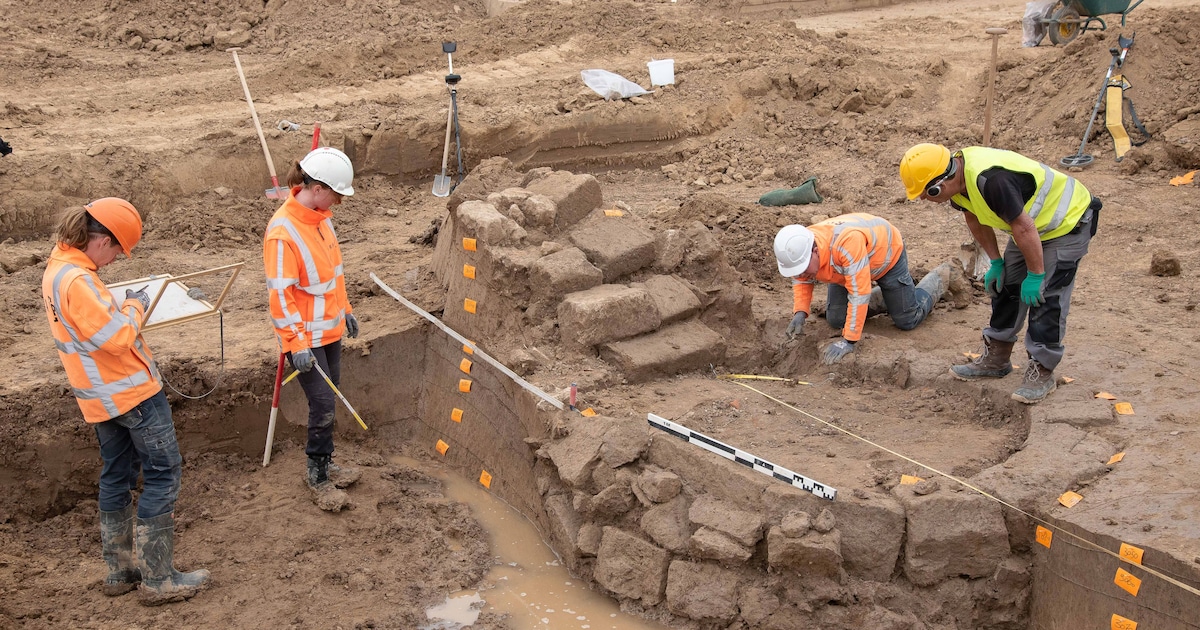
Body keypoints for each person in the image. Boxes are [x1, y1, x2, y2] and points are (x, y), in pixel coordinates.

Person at [41, 198, 209, 605]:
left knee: (116, 475)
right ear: (101, 239)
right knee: (163, 473)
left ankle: (120, 572)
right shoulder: (79, 282)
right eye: (117, 250)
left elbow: (93, 326)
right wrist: (136, 304)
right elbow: (117, 338)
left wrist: (120, 305)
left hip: (101, 400)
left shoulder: (60, 269)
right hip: (131, 395)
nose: (116, 259)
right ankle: (158, 578)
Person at [900, 143, 1100, 404]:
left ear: (941, 182)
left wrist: (1037, 275)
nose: (924, 199)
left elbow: (1024, 227)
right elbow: (974, 217)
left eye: (926, 193)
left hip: (1067, 222)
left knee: (1045, 295)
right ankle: (997, 358)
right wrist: (996, 262)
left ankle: (1042, 368)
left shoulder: (992, 180)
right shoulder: (959, 184)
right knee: (1007, 286)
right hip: (1029, 227)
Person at [263, 147, 362, 509]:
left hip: (330, 329)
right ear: (317, 188)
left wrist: (346, 309)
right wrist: (295, 343)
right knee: (321, 404)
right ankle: (317, 475)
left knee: (330, 399)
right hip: (303, 337)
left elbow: (335, 273)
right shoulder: (282, 233)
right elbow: (280, 296)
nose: (339, 201)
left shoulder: (322, 219)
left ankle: (327, 461)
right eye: (337, 193)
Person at [775, 213, 953, 365]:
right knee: (837, 320)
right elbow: (801, 280)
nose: (802, 274)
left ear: (815, 251)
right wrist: (800, 312)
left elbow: (859, 293)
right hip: (846, 268)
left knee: (907, 320)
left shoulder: (845, 244)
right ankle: (891, 296)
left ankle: (941, 276)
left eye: (804, 268)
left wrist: (849, 341)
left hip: (886, 255)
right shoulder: (800, 247)